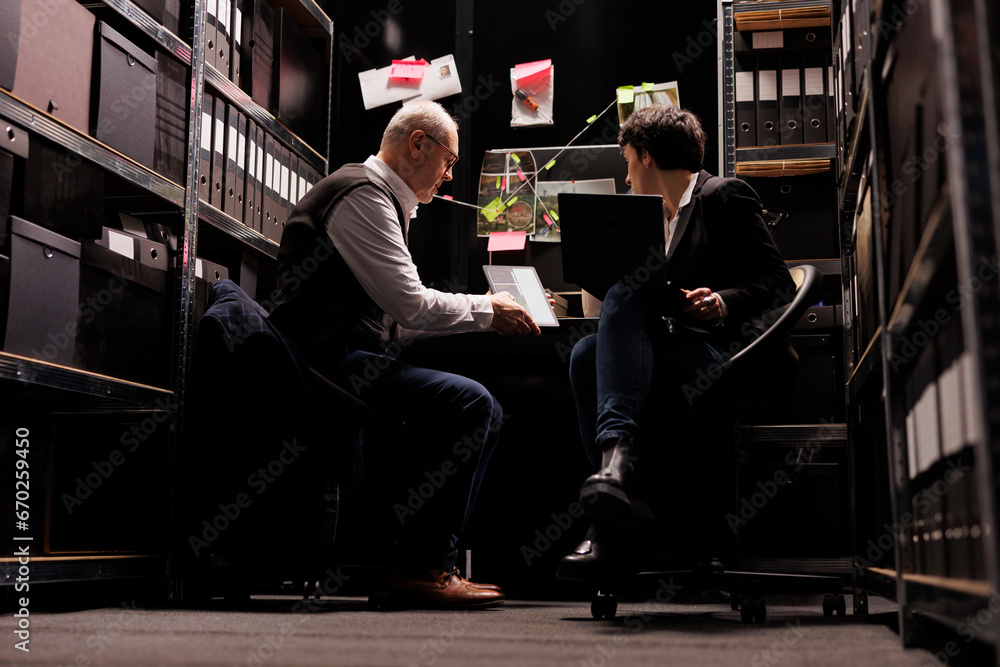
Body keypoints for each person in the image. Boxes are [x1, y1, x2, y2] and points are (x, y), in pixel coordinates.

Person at [269, 100, 540, 608]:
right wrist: (487, 309)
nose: (449, 175)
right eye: (449, 161)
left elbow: (393, 318)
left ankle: (419, 560)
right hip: (322, 362)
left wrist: (484, 313)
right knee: (474, 404)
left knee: (468, 398)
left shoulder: (377, 197)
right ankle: (422, 566)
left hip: (339, 354)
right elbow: (410, 305)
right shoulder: (363, 195)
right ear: (418, 144)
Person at [557, 105, 795, 579]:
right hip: (675, 350)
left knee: (620, 299)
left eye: (628, 163)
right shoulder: (654, 221)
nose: (627, 178)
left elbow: (779, 283)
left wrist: (722, 301)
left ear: (646, 156)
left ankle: (612, 510)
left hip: (729, 354)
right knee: (584, 352)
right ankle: (615, 489)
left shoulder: (722, 195)